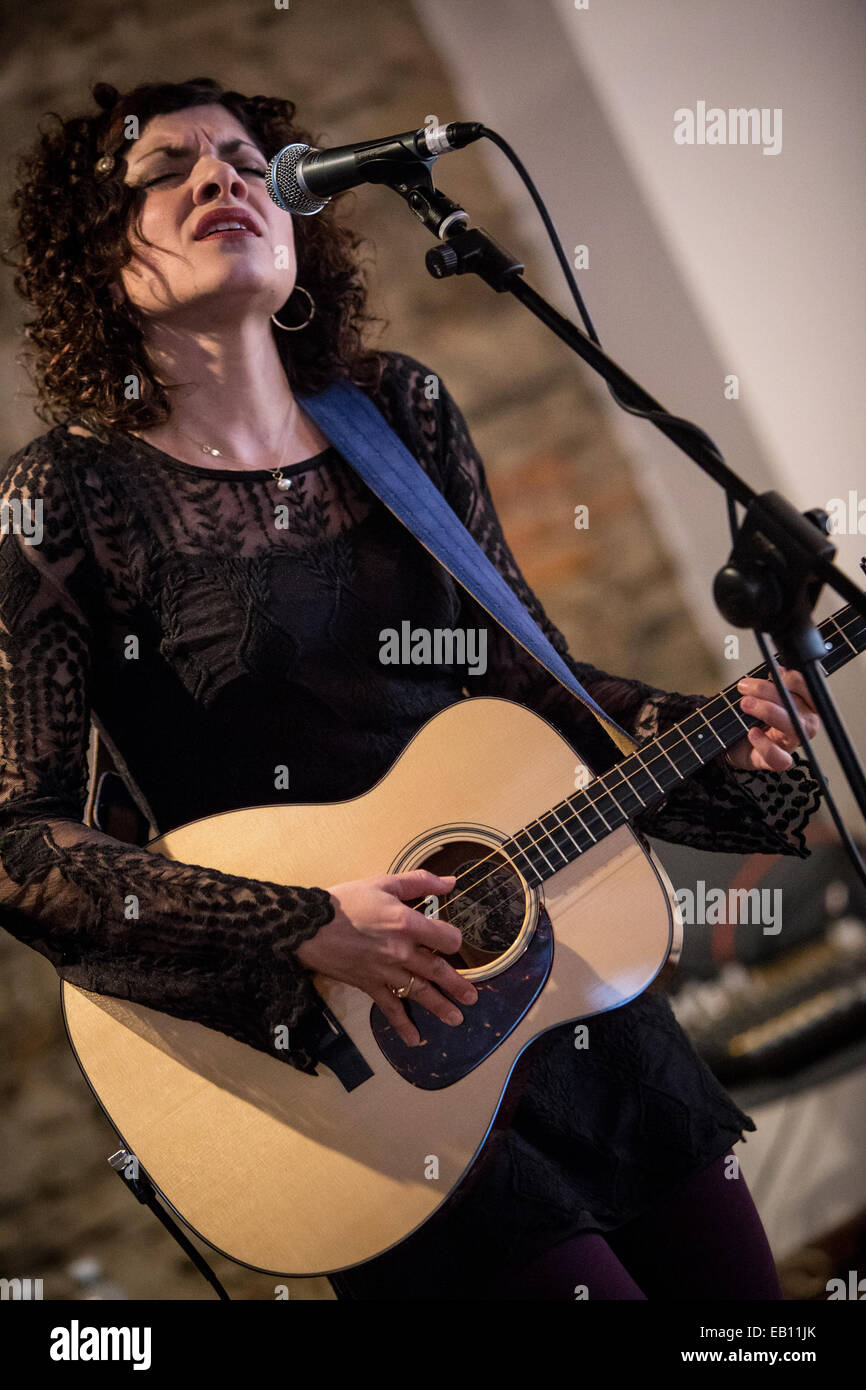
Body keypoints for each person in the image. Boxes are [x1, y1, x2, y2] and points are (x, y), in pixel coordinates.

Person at [0, 77, 823, 1300]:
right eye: (164, 170)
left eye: (242, 156)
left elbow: (539, 689)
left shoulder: (396, 411)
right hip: (353, 1077)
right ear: (93, 256)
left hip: (566, 1000)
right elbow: (20, 844)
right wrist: (303, 925)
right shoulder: (60, 501)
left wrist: (711, 736)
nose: (221, 178)